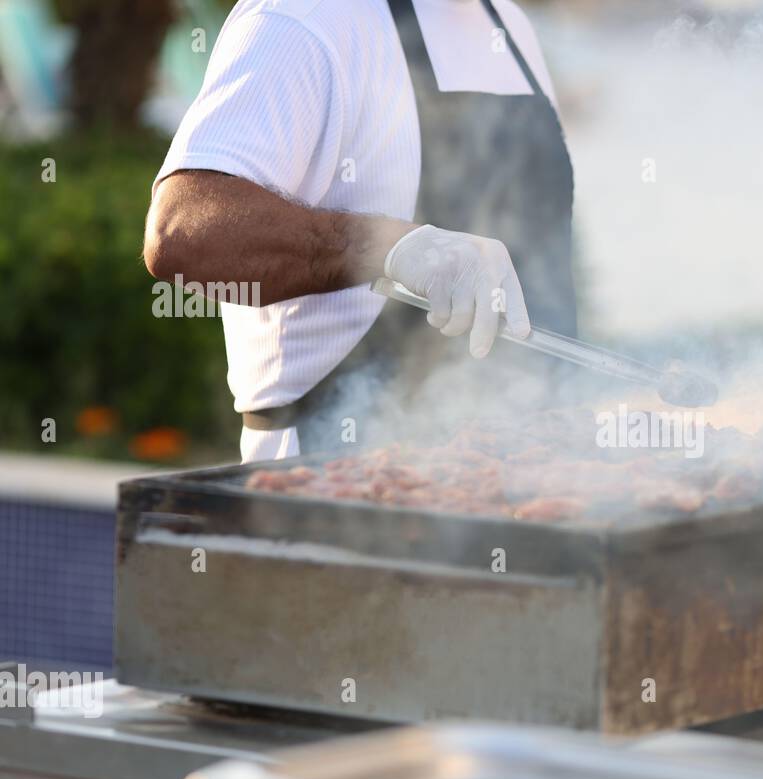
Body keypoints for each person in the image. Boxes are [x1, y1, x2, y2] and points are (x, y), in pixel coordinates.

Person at [143, 0, 577, 461]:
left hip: (529, 469)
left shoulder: (508, 26)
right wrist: (388, 248)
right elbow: (182, 231)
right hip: (341, 472)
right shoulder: (303, 18)